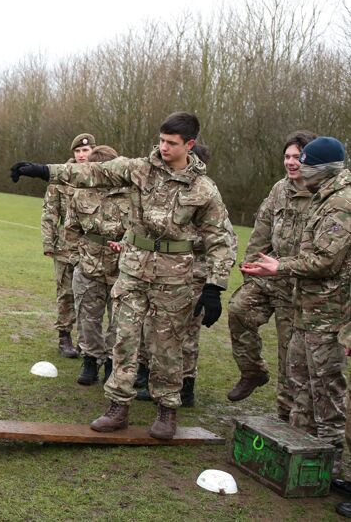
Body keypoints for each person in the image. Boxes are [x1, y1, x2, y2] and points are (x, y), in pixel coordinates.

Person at [10, 112, 234, 439]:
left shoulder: (203, 189)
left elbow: (221, 239)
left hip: (174, 278)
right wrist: (45, 171)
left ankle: (167, 410)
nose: (164, 148)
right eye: (161, 140)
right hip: (132, 270)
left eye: (172, 143)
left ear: (190, 144)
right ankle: (117, 407)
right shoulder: (139, 169)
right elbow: (93, 171)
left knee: (166, 345)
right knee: (124, 338)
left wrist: (215, 286)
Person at [241, 136, 349, 482]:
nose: (298, 169)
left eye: (305, 164)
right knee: (300, 384)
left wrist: (281, 267)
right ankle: (303, 459)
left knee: (326, 390)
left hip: (328, 314)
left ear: (322, 169)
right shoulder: (322, 196)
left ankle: (329, 468)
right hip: (307, 308)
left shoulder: (341, 204)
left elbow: (326, 260)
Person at [134, 144, 238, 407]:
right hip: (169, 274)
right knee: (157, 331)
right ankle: (151, 378)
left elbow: (226, 243)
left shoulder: (205, 197)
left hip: (196, 277)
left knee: (187, 337)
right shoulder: (170, 197)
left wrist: (213, 286)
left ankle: (186, 387)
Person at [224, 131, 317, 419]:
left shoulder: (322, 194)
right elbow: (262, 229)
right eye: (287, 156)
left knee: (291, 357)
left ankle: (285, 417)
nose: (290, 162)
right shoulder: (279, 189)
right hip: (269, 277)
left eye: (297, 157)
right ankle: (252, 372)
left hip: (301, 285)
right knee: (239, 310)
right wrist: (251, 268)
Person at [62, 145, 129, 385]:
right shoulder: (82, 193)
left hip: (123, 270)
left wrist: (128, 248)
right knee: (87, 319)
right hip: (89, 266)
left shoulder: (132, 194)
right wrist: (75, 259)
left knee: (118, 322)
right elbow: (71, 228)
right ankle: (90, 360)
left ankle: (111, 363)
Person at [42, 133, 95, 358]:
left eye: (86, 150)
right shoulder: (62, 177)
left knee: (91, 295)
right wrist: (48, 241)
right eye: (78, 151)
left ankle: (88, 341)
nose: (82, 155)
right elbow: (50, 211)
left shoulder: (104, 175)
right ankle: (64, 336)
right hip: (66, 245)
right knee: (66, 292)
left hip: (94, 247)